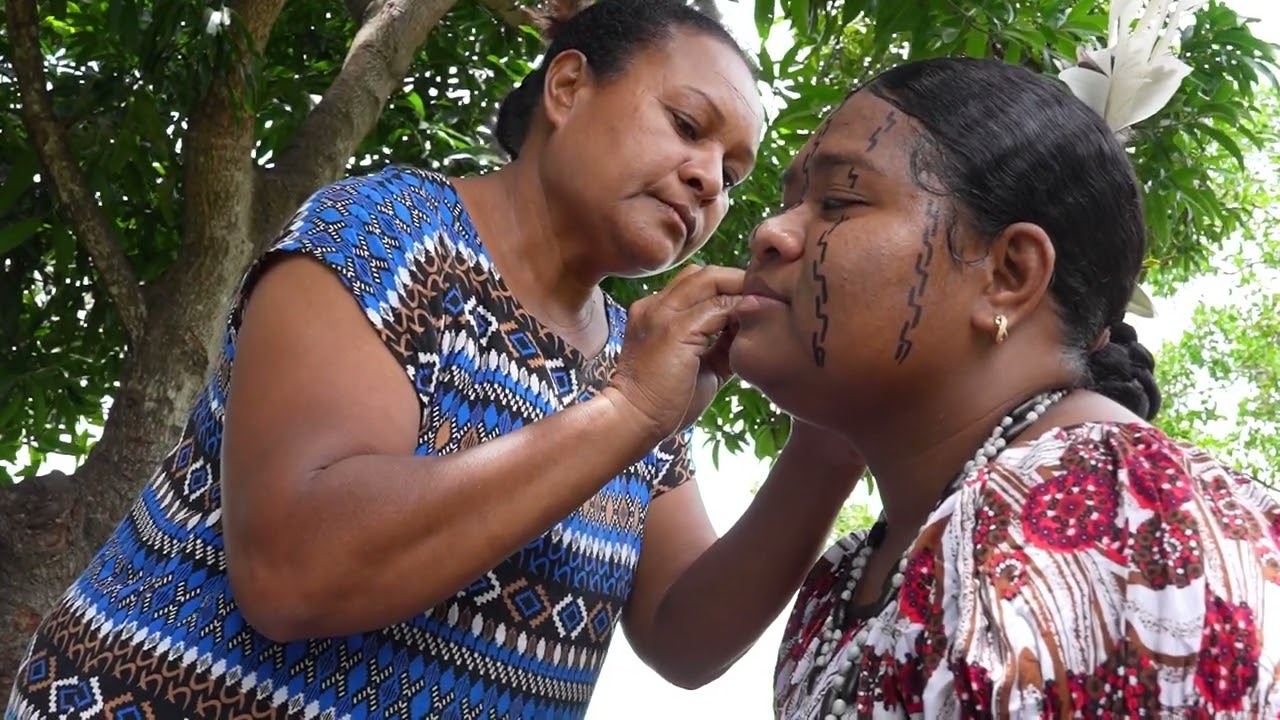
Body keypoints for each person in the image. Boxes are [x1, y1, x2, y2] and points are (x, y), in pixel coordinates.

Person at [6, 2, 865, 718]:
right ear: (567, 87)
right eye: (687, 126)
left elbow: (684, 637)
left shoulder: (634, 354)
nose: (710, 180)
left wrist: (834, 439)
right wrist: (628, 411)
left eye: (733, 170)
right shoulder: (389, 232)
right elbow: (295, 570)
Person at [726, 55, 1280, 719]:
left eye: (838, 202)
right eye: (791, 203)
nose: (769, 233)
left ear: (1009, 276)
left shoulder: (1134, 519)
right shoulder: (840, 586)